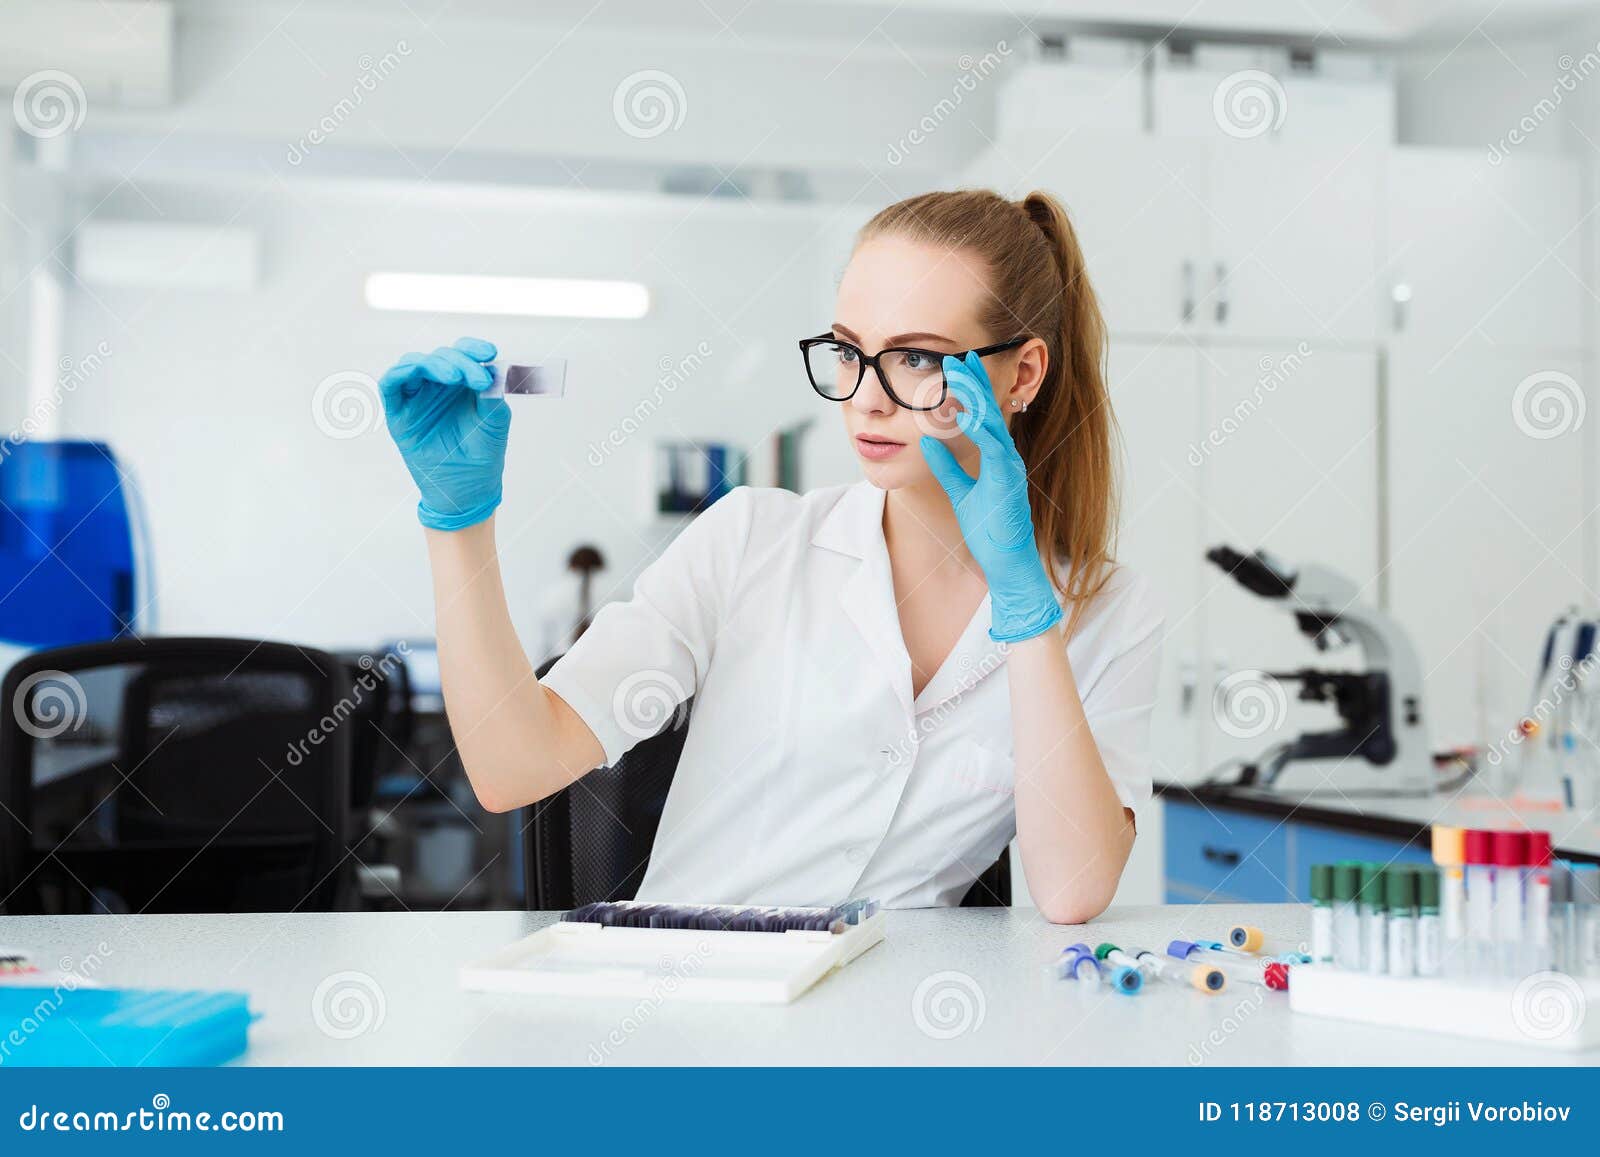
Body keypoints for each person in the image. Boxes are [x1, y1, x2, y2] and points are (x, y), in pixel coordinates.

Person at [377, 188, 1163, 923]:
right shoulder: (752, 541)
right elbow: (514, 764)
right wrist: (458, 523)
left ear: (1021, 374)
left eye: (918, 358)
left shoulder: (1107, 610)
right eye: (851, 350)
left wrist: (1026, 603)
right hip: (688, 1009)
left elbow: (1070, 891)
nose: (868, 396)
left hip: (898, 1026)